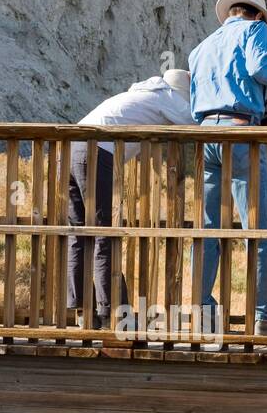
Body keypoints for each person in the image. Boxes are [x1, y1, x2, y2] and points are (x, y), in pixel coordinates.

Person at [188, 0, 267, 337]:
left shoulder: (201, 47)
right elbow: (260, 67)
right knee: (259, 230)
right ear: (256, 14)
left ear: (232, 11)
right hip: (240, 134)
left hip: (205, 137)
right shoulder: (256, 30)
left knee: (207, 231)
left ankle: (203, 315)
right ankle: (264, 318)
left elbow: (197, 97)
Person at [69, 69, 193, 328]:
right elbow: (195, 124)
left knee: (79, 233)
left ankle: (84, 312)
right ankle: (114, 314)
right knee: (105, 233)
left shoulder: (140, 94)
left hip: (70, 149)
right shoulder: (168, 98)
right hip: (95, 153)